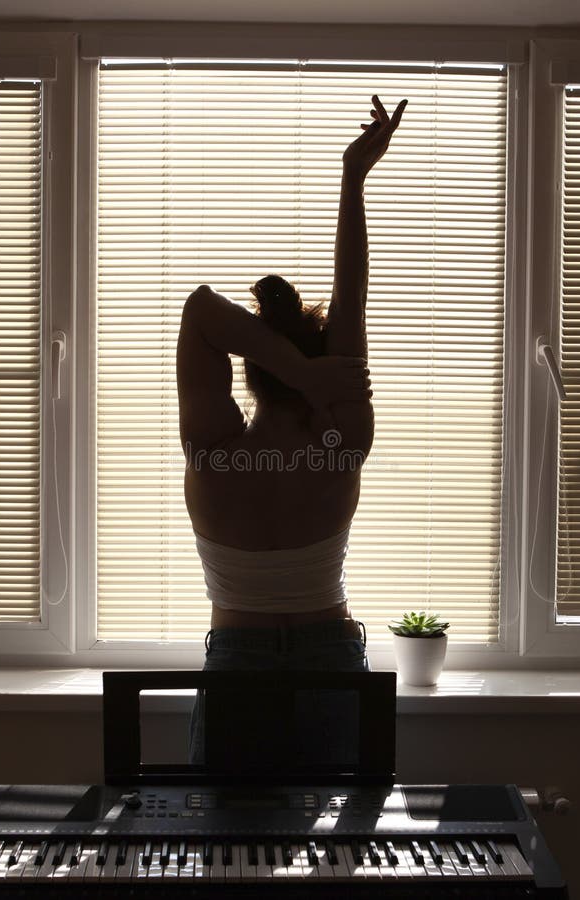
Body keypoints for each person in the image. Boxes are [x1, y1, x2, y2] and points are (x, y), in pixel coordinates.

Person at [177, 95, 407, 764]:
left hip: (237, 657)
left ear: (251, 371)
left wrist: (296, 369)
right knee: (344, 835)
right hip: (329, 655)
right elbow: (351, 295)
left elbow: (202, 310)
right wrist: (353, 177)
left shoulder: (214, 454)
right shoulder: (341, 444)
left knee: (225, 830)